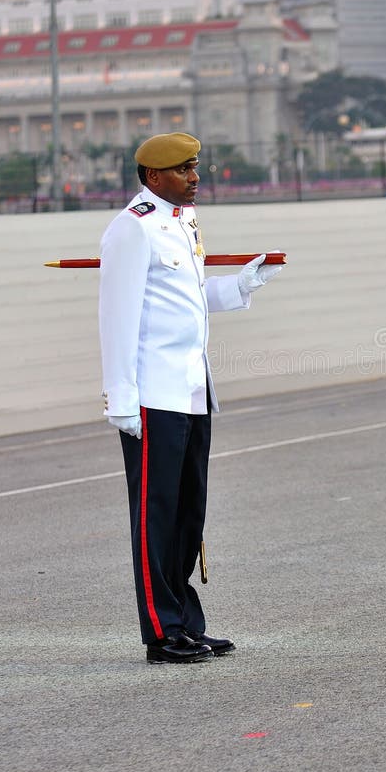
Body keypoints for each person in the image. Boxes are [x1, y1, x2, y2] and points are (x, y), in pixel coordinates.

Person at [99, 132, 282, 664]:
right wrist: (121, 400)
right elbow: (116, 317)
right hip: (153, 395)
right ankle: (161, 631)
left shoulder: (183, 222)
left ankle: (185, 620)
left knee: (187, 513)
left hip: (191, 390)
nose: (196, 178)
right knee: (156, 515)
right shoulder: (131, 229)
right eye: (184, 170)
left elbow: (189, 298)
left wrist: (242, 284)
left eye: (196, 168)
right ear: (155, 177)